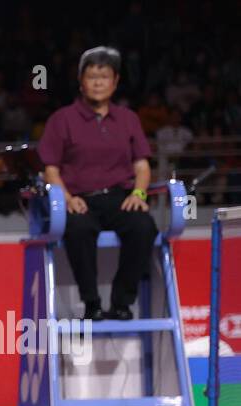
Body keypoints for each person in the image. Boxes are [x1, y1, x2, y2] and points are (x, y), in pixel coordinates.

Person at [38, 46, 156, 320]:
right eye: (92, 77)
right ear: (81, 82)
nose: (98, 83)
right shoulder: (62, 119)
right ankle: (92, 304)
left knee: (143, 226)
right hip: (79, 199)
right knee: (79, 228)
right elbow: (51, 169)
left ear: (115, 82)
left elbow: (142, 166)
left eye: (104, 77)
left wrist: (139, 193)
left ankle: (122, 303)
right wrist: (66, 198)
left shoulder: (128, 119)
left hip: (119, 197)